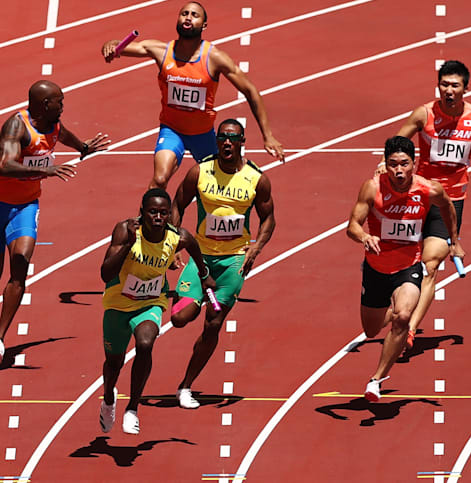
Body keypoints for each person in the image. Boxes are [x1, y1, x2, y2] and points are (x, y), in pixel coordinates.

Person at [0, 80, 109, 364]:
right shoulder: (16, 127)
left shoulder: (54, 125)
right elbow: (6, 165)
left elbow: (62, 135)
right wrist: (48, 170)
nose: (63, 106)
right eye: (59, 102)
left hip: (25, 206)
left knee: (21, 263)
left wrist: (83, 147)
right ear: (44, 105)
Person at [101, 1, 284, 190]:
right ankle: (146, 219)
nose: (188, 17)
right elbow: (118, 46)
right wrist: (110, 46)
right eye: (184, 13)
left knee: (218, 185)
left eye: (195, 15)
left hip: (203, 135)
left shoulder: (214, 58)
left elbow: (250, 91)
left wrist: (267, 135)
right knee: (160, 178)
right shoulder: (161, 51)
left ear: (204, 25)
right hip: (172, 130)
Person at [379, 60, 471, 353]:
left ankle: (409, 329)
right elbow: (397, 142)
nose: (449, 90)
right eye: (444, 84)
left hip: (450, 201)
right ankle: (394, 304)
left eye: (455, 85)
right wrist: (385, 163)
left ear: (466, 88)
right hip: (416, 197)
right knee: (403, 261)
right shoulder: (424, 114)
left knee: (430, 265)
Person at [168, 118, 275, 408]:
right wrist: (173, 242)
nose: (227, 142)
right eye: (222, 138)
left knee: (213, 323)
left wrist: (256, 248)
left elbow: (269, 219)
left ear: (242, 142)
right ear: (217, 142)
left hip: (233, 262)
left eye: (233, 138)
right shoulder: (199, 172)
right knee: (179, 318)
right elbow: (177, 203)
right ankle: (189, 297)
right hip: (200, 257)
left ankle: (186, 386)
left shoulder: (256, 179)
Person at [349, 136, 463, 402]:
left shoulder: (428, 190)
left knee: (402, 317)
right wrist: (364, 237)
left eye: (404, 164)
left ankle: (376, 380)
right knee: (371, 330)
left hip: (407, 267)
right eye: (393, 165)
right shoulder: (372, 189)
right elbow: (352, 224)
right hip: (376, 268)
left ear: (415, 164)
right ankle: (387, 309)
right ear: (385, 165)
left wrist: (454, 241)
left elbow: (447, 206)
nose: (399, 171)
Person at [98, 189, 213, 434]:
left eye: (163, 213)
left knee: (146, 343)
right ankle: (109, 397)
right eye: (153, 212)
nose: (158, 217)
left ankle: (132, 408)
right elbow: (105, 273)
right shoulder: (125, 230)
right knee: (113, 364)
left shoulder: (178, 237)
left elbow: (195, 251)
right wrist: (128, 245)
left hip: (150, 302)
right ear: (142, 213)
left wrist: (204, 276)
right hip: (118, 304)